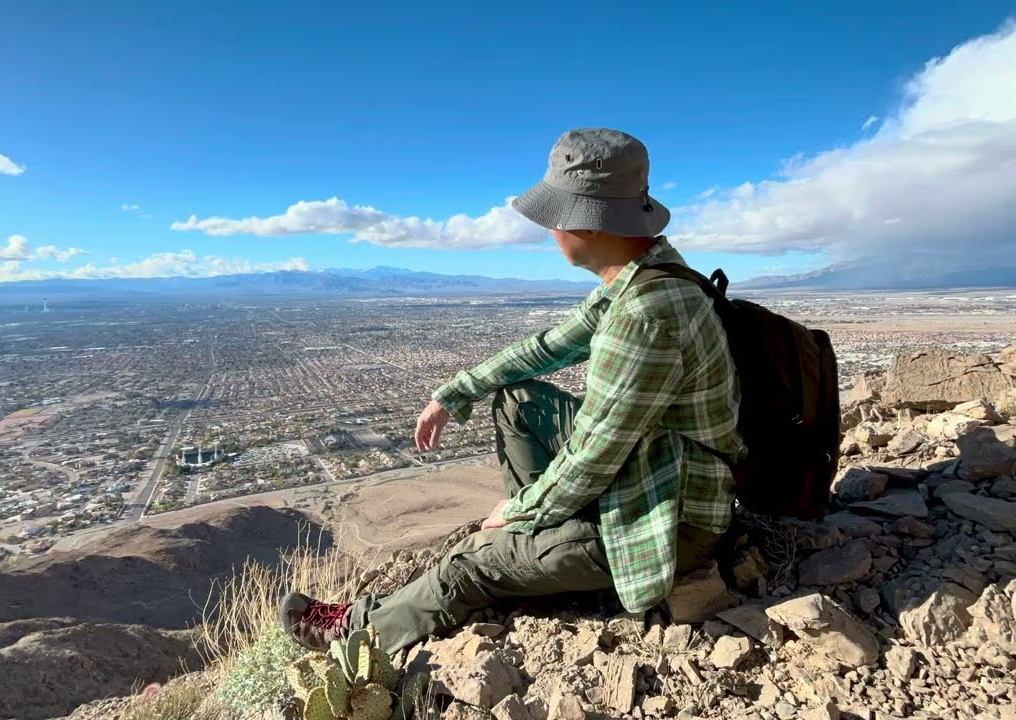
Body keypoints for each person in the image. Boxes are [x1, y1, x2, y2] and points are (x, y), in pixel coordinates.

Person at [281, 128, 745, 656]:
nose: (550, 231)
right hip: (653, 462)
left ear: (583, 223)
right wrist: (454, 393)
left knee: (469, 564)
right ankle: (544, 544)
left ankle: (356, 634)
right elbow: (547, 347)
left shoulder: (643, 315)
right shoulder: (649, 276)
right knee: (517, 400)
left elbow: (594, 457)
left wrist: (520, 511)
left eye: (554, 218)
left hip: (666, 515)